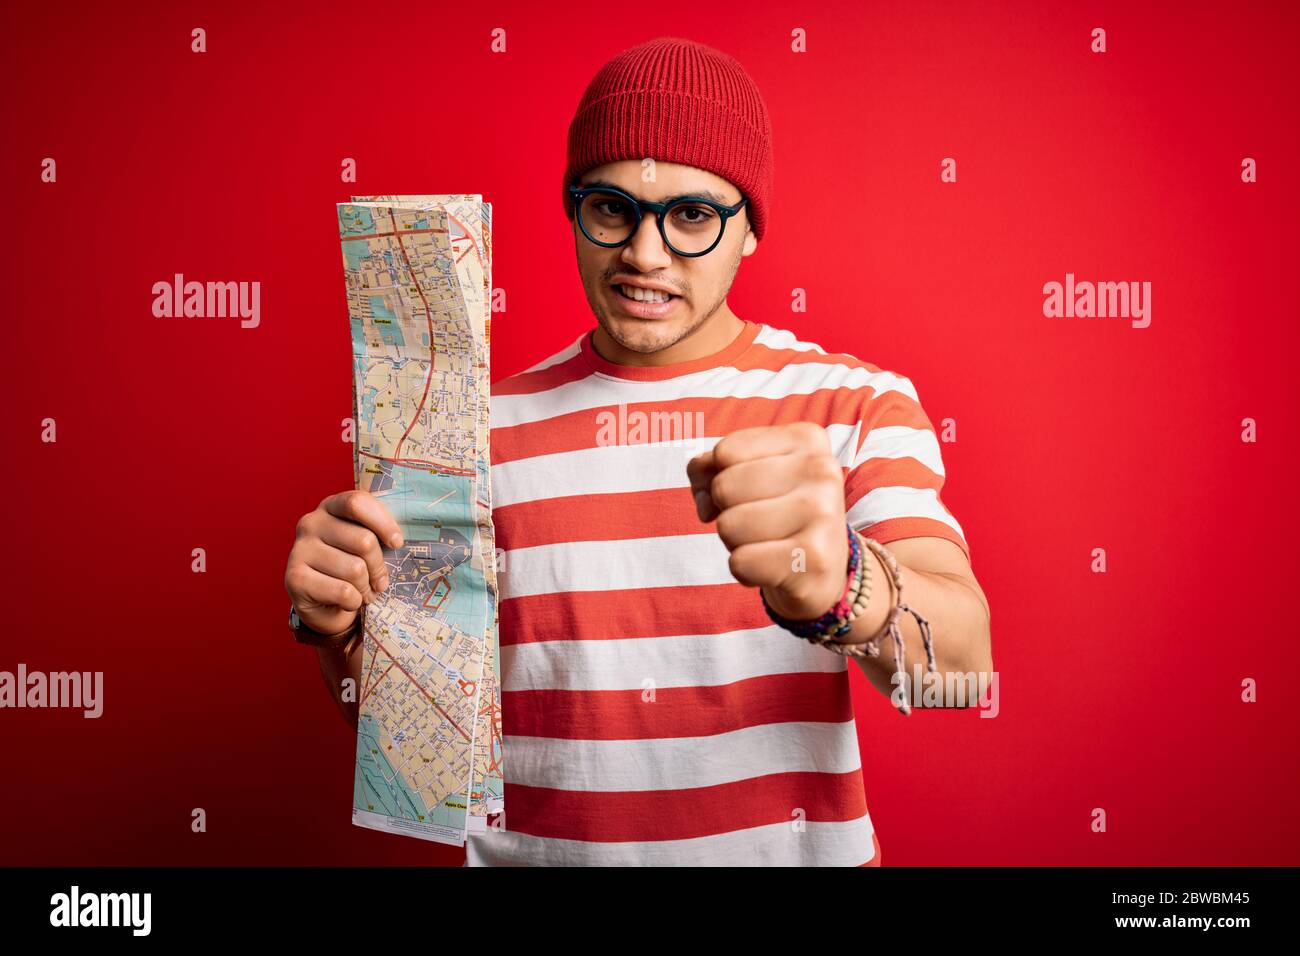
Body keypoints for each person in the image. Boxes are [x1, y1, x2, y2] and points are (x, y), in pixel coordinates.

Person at [284, 36, 992, 866]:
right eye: (612, 207)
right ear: (575, 211)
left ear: (750, 229)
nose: (644, 254)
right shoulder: (467, 431)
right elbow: (420, 744)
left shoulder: (853, 406)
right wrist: (339, 633)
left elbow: (961, 674)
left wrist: (842, 582)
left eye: (693, 215)